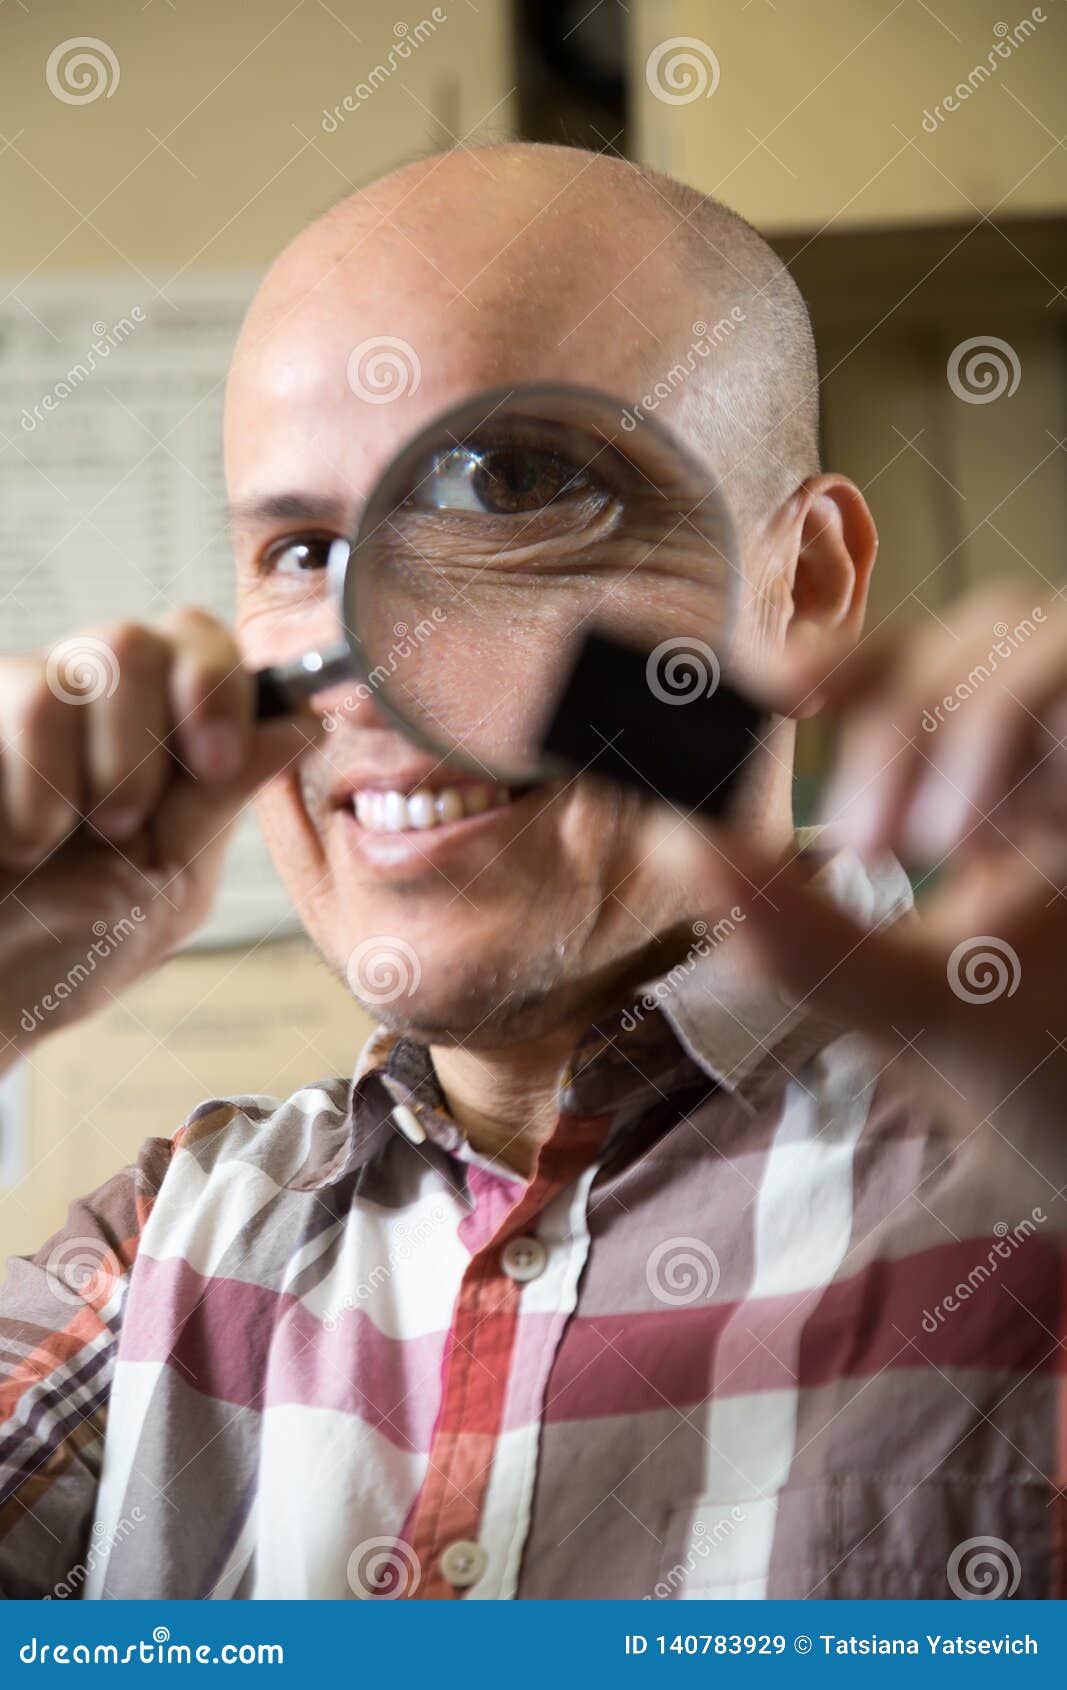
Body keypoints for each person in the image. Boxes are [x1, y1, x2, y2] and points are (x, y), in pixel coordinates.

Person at [0, 143, 1063, 1601]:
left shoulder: (1031, 1175)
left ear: (804, 583)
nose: (375, 672)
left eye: (516, 488)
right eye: (306, 549)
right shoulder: (158, 1252)